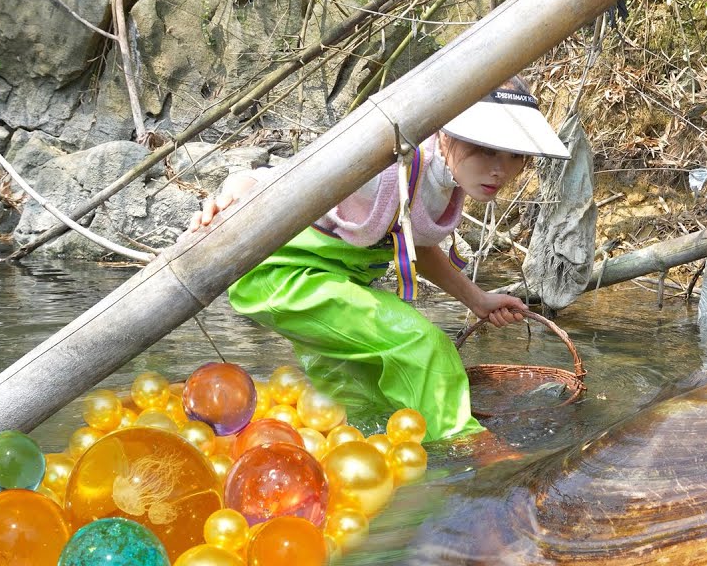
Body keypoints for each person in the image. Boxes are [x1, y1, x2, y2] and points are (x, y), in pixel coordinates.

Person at [188, 77, 570, 441]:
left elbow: (414, 243)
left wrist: (477, 300)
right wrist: (226, 201)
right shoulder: (390, 161)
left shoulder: (446, 179)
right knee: (423, 344)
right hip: (284, 275)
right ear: (447, 133)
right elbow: (275, 177)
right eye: (486, 149)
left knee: (360, 399)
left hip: (339, 285)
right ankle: (471, 453)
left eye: (515, 155)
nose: (499, 170)